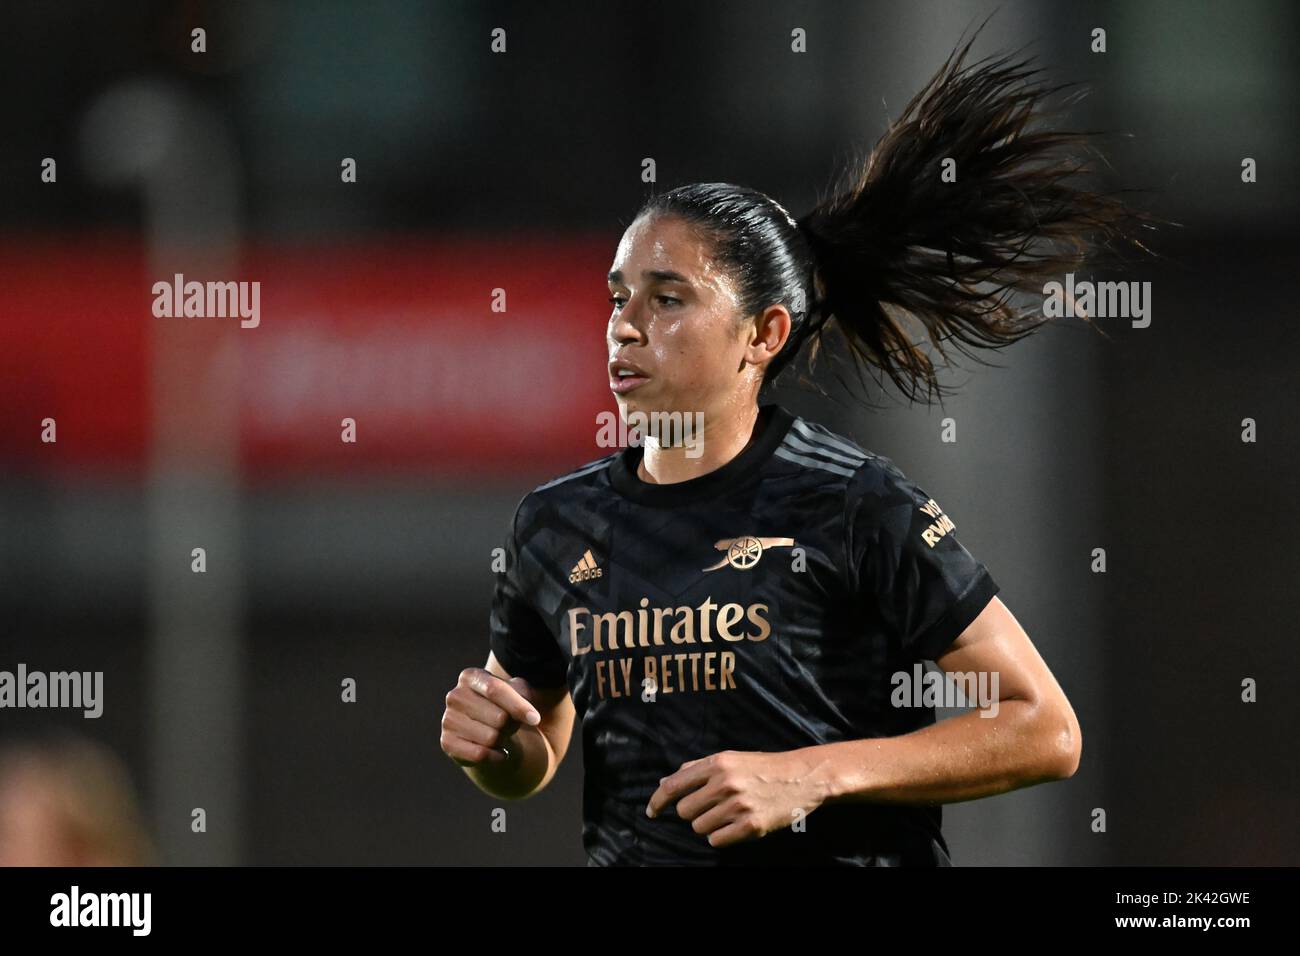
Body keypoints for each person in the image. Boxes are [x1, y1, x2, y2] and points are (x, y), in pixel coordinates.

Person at [440, 28, 1155, 866]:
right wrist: (496, 747)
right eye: (618, 297)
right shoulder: (553, 524)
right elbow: (535, 755)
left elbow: (1044, 728)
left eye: (668, 299)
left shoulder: (853, 502)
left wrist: (809, 776)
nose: (625, 326)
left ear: (762, 333)